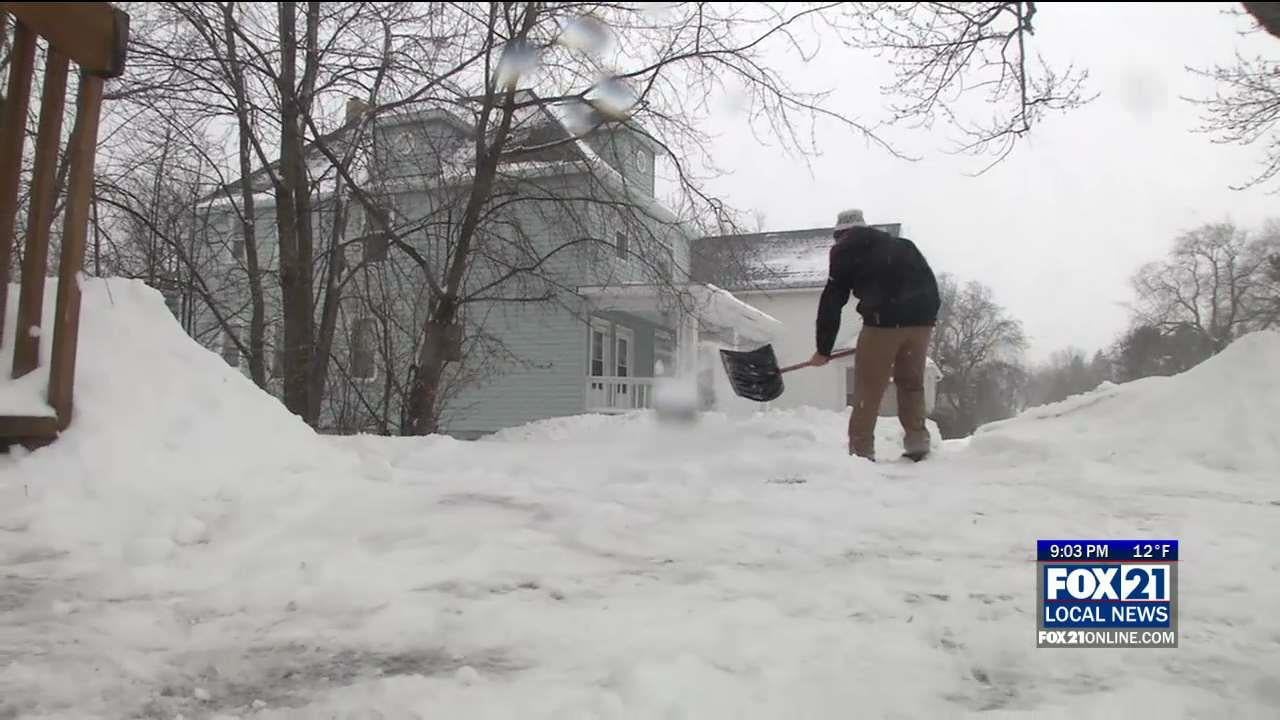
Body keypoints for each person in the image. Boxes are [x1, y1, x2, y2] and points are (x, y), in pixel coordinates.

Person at [809, 209, 941, 462]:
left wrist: (823, 349)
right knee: (911, 383)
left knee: (868, 388)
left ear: (840, 234)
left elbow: (832, 301)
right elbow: (930, 283)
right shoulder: (903, 245)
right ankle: (917, 442)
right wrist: (927, 318)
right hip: (921, 323)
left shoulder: (844, 251)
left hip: (883, 324)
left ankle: (861, 453)